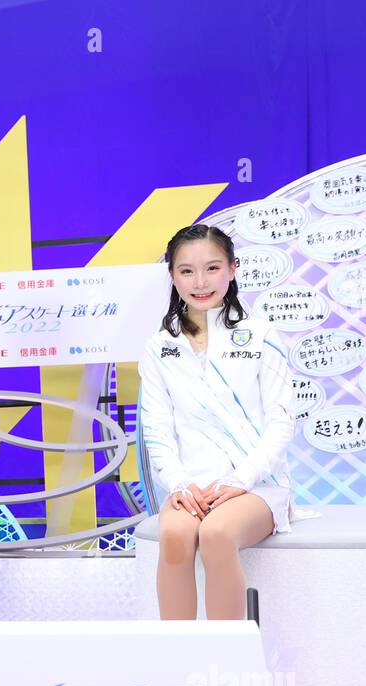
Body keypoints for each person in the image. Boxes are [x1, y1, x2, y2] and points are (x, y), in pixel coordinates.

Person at [137, 224, 296, 621]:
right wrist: (177, 482)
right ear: (172, 276)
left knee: (216, 534)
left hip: (255, 486)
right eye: (187, 271)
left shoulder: (260, 335)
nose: (200, 281)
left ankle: (226, 662)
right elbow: (155, 427)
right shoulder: (160, 347)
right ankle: (180, 663)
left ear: (232, 269)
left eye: (212, 268)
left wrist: (240, 479)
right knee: (173, 535)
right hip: (189, 486)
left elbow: (281, 421)